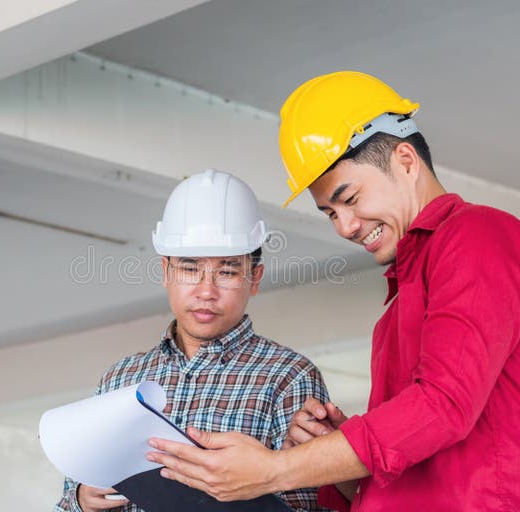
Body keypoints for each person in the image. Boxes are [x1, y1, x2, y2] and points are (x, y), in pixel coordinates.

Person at [147, 72, 520, 511]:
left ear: (405, 159)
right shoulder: (402, 299)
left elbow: (442, 407)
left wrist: (273, 470)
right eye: (329, 213)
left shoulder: (479, 235)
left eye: (351, 199)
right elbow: (413, 454)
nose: (345, 226)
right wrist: (339, 452)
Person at [53, 169, 331, 512]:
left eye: (227, 272)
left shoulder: (289, 378)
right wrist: (81, 501)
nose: (206, 291)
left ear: (254, 278)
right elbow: (69, 498)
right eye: (189, 269)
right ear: (166, 271)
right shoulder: (121, 378)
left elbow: (306, 504)